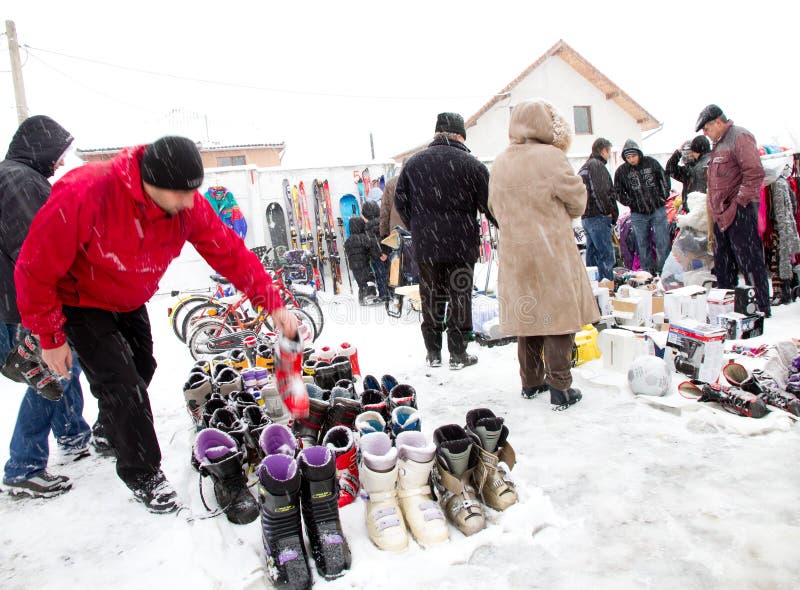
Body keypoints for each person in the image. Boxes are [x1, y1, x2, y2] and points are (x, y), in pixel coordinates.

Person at [14, 136, 297, 513]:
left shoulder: (187, 206)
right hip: (81, 300)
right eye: (179, 194)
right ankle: (144, 473)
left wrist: (271, 303)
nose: (188, 202)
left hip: (128, 298)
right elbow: (35, 266)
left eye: (192, 193)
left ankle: (111, 429)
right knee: (122, 383)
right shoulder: (87, 191)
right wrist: (50, 336)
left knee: (143, 367)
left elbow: (229, 252)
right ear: (147, 184)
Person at [0, 115, 92, 498]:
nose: (59, 163)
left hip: (17, 297)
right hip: (21, 302)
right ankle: (24, 466)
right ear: (39, 147)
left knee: (63, 364)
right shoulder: (18, 181)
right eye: (56, 154)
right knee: (50, 374)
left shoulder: (18, 175)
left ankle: (72, 434)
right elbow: (33, 250)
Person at [488, 99, 599, 410]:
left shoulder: (500, 162)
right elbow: (578, 202)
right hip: (551, 250)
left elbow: (494, 207)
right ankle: (560, 386)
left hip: (516, 253)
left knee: (529, 315)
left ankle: (531, 381)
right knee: (557, 316)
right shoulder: (552, 157)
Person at [395, 112, 495, 370]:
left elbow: (401, 202)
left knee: (431, 297)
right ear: (460, 135)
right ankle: (458, 354)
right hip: (461, 245)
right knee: (460, 297)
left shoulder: (414, 164)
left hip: (427, 245)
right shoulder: (472, 165)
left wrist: (418, 226)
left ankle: (433, 353)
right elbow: (490, 204)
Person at [695, 104, 770, 315]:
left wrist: (739, 203)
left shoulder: (740, 137)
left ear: (718, 122)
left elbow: (754, 172)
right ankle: (727, 310)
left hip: (740, 211)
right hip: (721, 214)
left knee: (750, 262)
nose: (705, 134)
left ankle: (759, 307)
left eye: (707, 128)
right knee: (723, 266)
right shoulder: (718, 145)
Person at [613, 139, 672, 275]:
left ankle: (665, 272)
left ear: (639, 154)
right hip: (638, 213)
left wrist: (663, 196)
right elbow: (617, 191)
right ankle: (648, 273)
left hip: (657, 209)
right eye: (628, 157)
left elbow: (664, 178)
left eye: (633, 156)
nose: (631, 159)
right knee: (642, 244)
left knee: (662, 241)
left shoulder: (651, 163)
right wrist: (630, 202)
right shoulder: (622, 171)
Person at [578, 137, 618, 281]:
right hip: (597, 216)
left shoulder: (585, 167)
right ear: (603, 150)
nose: (609, 155)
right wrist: (608, 211)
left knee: (592, 255)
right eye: (609, 152)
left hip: (587, 216)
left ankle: (594, 287)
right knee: (605, 255)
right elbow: (600, 191)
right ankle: (606, 288)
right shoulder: (596, 166)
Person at [665, 135, 711, 212]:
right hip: (694, 208)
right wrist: (678, 152)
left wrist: (678, 152)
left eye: (691, 152)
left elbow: (670, 169)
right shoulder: (687, 170)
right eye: (686, 153)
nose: (689, 155)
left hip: (700, 207)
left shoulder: (706, 164)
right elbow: (670, 169)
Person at [344, 216, 382, 304]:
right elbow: (371, 247)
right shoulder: (363, 238)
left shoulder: (348, 241)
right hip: (364, 264)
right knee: (369, 279)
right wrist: (378, 254)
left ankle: (361, 298)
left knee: (361, 283)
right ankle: (370, 296)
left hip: (354, 266)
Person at [361, 199, 389, 300]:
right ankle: (391, 292)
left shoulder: (369, 226)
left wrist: (381, 254)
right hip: (387, 252)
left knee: (381, 275)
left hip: (378, 256)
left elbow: (374, 242)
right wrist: (386, 251)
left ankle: (384, 294)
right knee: (388, 273)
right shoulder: (382, 221)